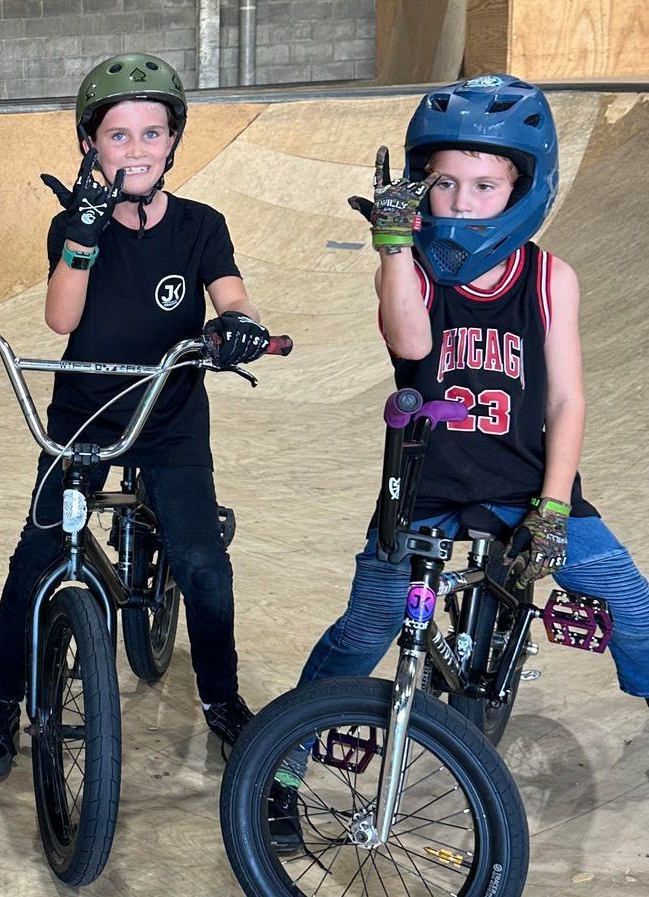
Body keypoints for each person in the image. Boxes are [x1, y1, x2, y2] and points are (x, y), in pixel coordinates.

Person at [276, 73, 649, 851]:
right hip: (424, 486)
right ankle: (284, 763)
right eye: (444, 183)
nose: (463, 200)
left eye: (485, 183)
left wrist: (551, 511)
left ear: (524, 186)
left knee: (627, 597)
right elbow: (411, 343)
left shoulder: (550, 279)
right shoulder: (411, 266)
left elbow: (567, 403)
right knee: (360, 630)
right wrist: (390, 246)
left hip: (527, 487)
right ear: (419, 186)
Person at [0, 53, 274, 779]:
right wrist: (86, 230)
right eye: (118, 137)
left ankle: (223, 701)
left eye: (152, 134)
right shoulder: (72, 226)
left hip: (169, 418)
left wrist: (238, 325)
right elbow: (60, 314)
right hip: (83, 413)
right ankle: (4, 697)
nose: (137, 149)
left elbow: (231, 293)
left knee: (202, 560)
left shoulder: (199, 226)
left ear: (173, 142)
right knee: (36, 554)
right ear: (88, 148)